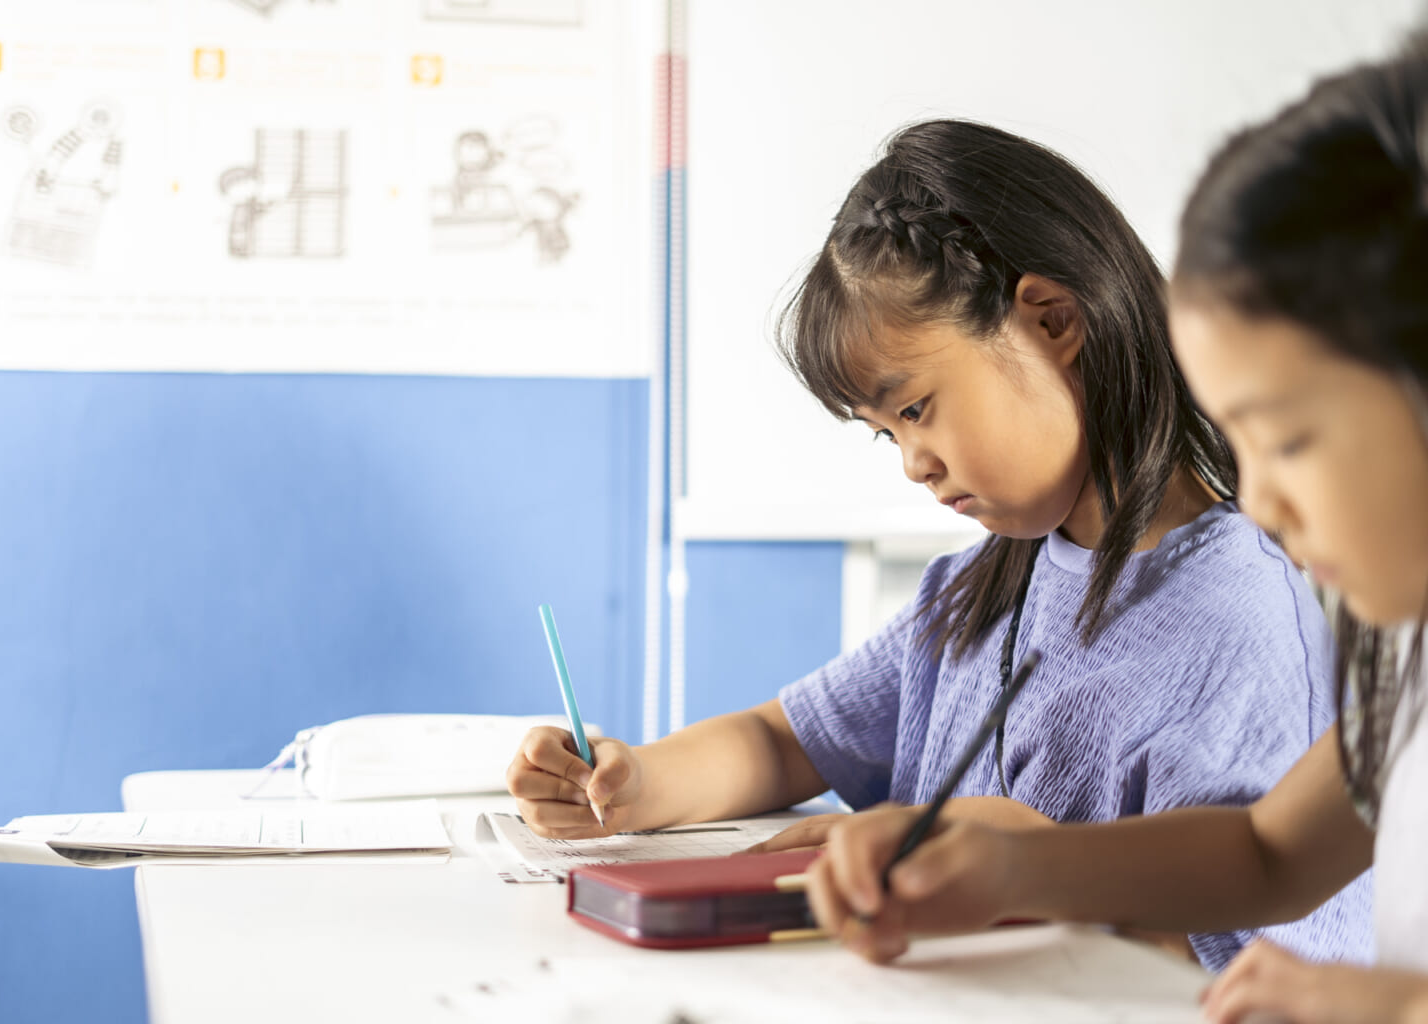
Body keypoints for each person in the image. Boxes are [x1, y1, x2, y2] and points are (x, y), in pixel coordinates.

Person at [506, 119, 1370, 970]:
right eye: (886, 434)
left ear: (1053, 322)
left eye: (915, 408)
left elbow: (1243, 964)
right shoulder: (974, 591)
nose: (915, 462)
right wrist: (630, 786)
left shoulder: (1237, 621)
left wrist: (1021, 863)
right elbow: (785, 740)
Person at [803, 42, 1428, 1022]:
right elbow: (1267, 852)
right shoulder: (1409, 665)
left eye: (1292, 438)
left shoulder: (1242, 601)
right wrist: (1013, 866)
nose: (1258, 502)